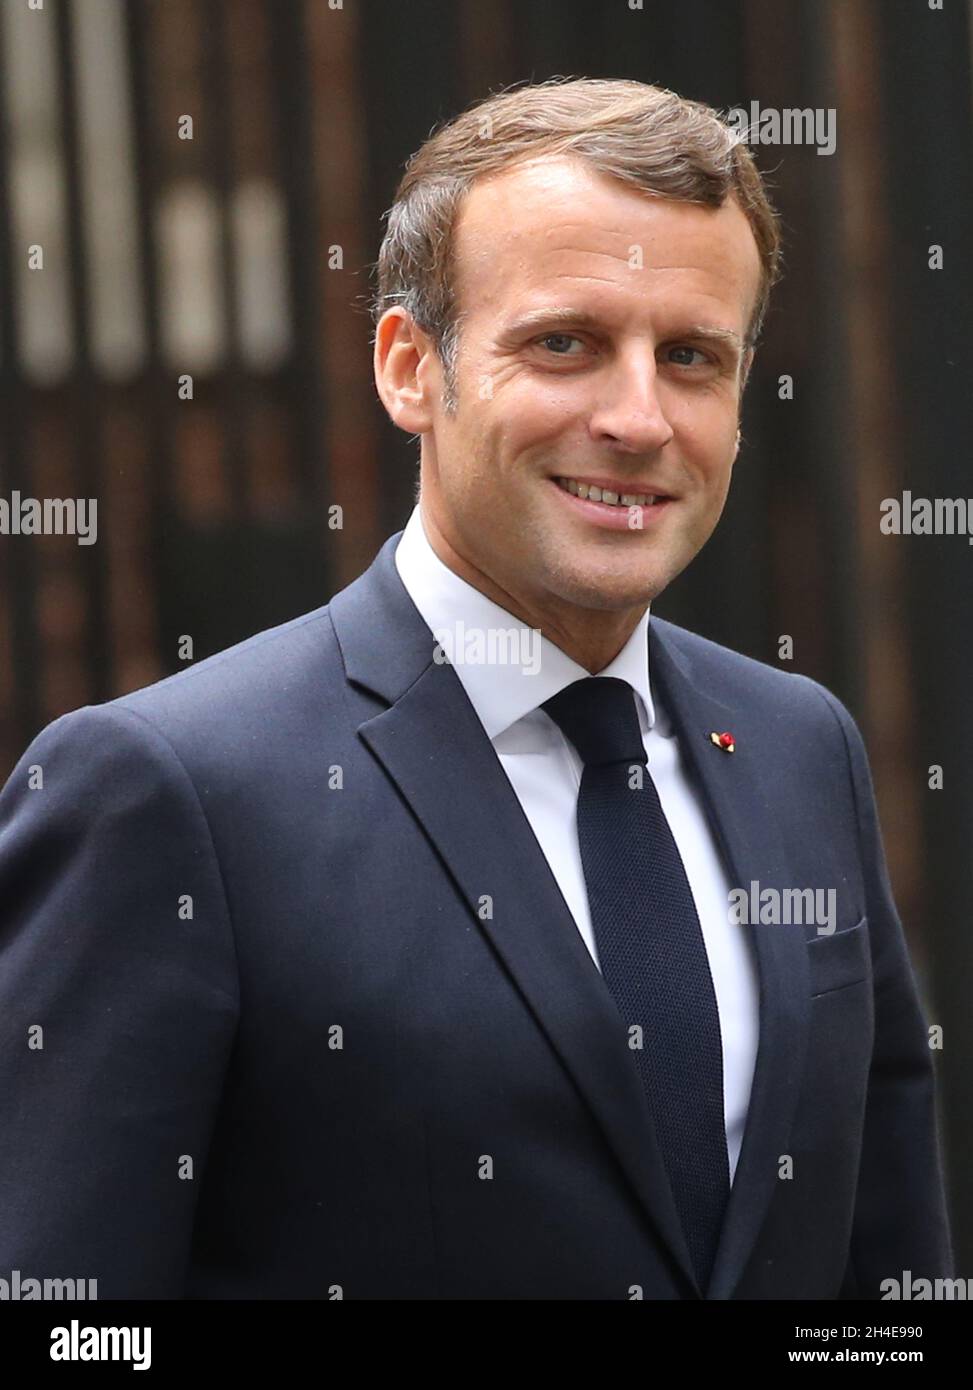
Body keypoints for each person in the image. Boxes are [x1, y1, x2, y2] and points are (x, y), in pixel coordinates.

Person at [0, 77, 952, 1300]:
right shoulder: (166, 790)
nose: (638, 418)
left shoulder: (798, 744)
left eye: (690, 357)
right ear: (409, 367)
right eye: (564, 343)